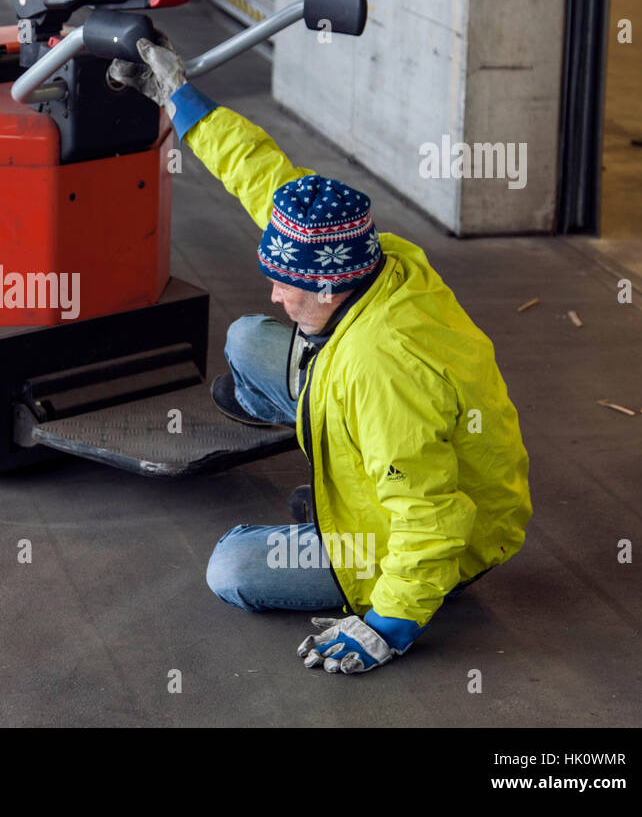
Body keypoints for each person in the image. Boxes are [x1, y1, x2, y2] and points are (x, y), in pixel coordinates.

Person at [108, 34, 532, 674]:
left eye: (288, 285)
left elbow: (433, 515)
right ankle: (327, 472)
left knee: (233, 567)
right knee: (247, 337)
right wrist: (181, 100)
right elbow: (265, 177)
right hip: (379, 414)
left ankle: (356, 542)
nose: (276, 293)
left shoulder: (383, 368)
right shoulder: (359, 248)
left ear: (330, 286)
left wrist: (386, 624)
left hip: (433, 537)